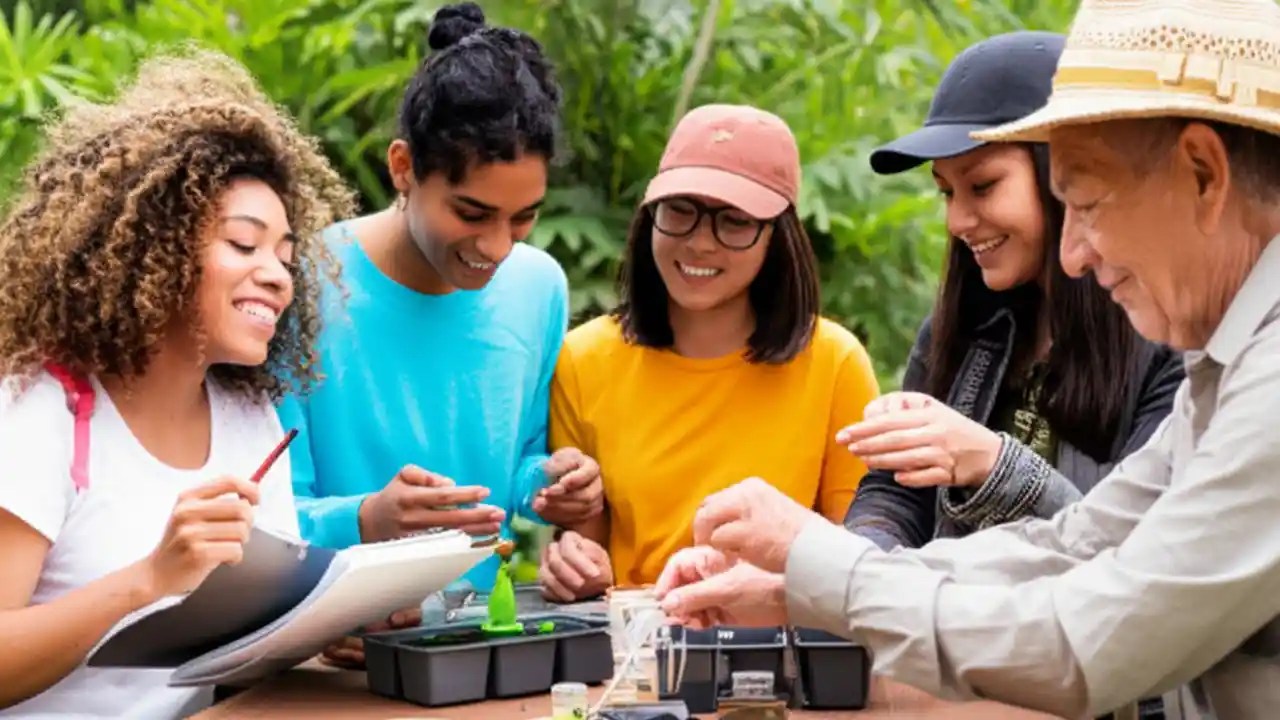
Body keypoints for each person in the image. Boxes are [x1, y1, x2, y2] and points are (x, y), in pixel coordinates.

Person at [657, 0, 1280, 718]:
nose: (1073, 254)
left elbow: (1088, 642)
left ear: (1202, 173)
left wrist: (823, 562)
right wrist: (797, 584)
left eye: (1088, 203)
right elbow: (1078, 543)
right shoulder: (1223, 364)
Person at [0, 49, 354, 718]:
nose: (279, 276)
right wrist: (150, 580)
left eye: (285, 255)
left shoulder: (250, 416)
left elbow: (253, 646)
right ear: (150, 249)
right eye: (244, 246)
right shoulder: (44, 411)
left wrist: (340, 627)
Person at [277, 1, 602, 599]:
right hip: (324, 648)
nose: (499, 246)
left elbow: (521, 460)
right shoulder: (299, 283)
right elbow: (265, 516)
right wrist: (365, 519)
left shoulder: (540, 287)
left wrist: (553, 483)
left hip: (475, 641)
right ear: (403, 168)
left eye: (524, 217)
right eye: (471, 213)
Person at [841, 30, 1183, 553]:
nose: (958, 220)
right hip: (944, 623)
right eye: (946, 192)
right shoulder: (959, 328)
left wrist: (996, 466)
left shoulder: (1171, 343)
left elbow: (1138, 557)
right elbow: (895, 493)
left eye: (982, 186)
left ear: (1063, 175)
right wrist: (859, 557)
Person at [538, 104, 881, 602]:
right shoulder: (583, 358)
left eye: (734, 221)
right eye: (680, 211)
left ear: (777, 237)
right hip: (634, 650)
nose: (700, 242)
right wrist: (577, 569)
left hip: (780, 643)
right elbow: (585, 549)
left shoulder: (835, 363)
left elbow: (859, 559)